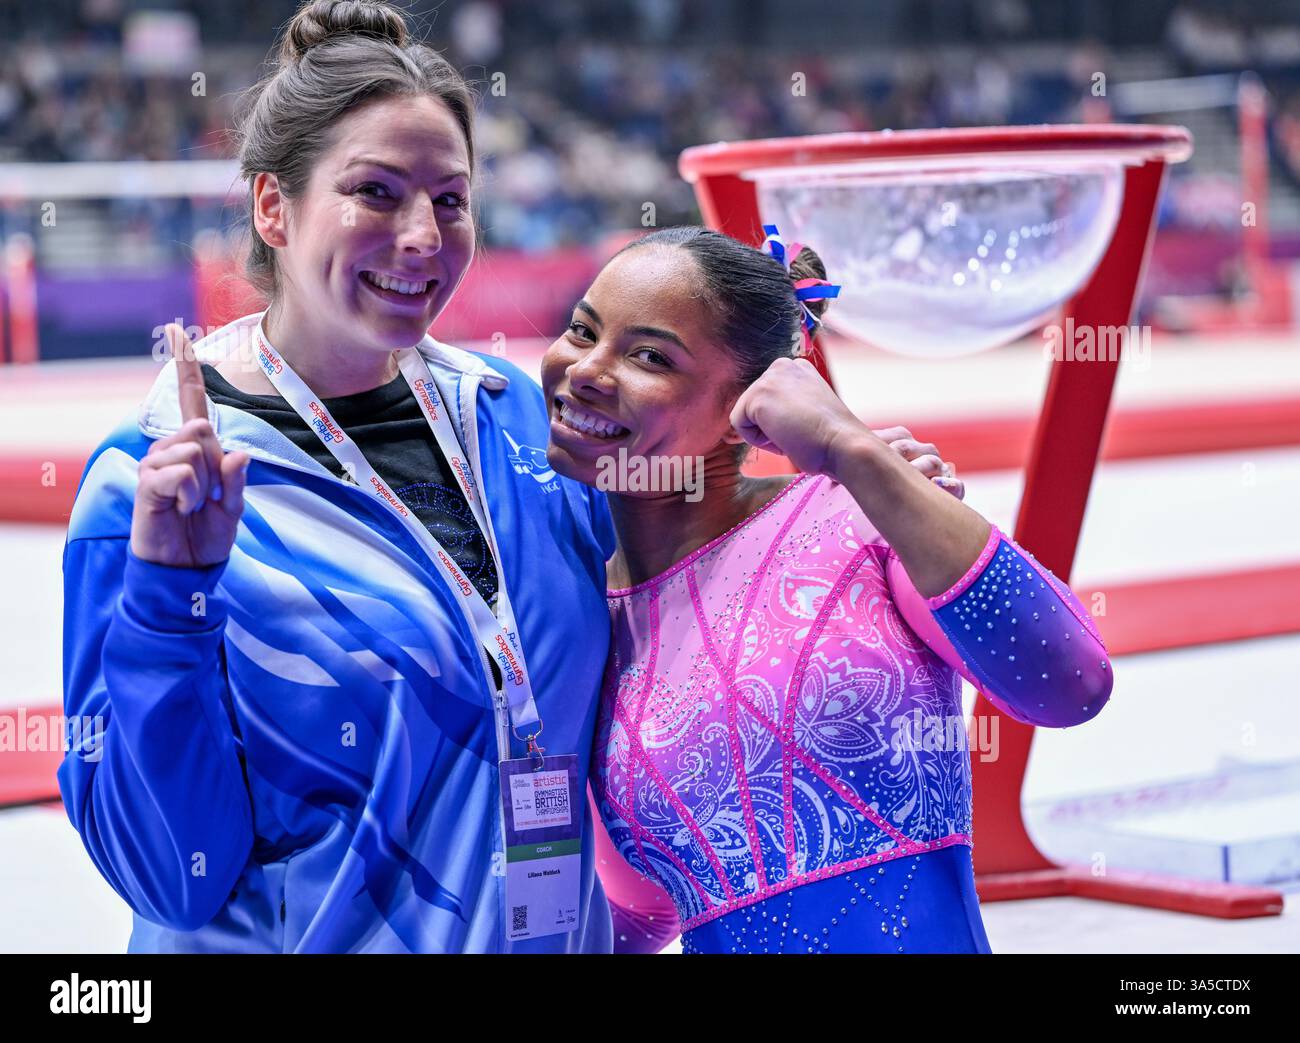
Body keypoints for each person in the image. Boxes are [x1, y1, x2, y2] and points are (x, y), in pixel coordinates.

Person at [56, 1, 954, 953]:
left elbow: (670, 574)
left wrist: (847, 486)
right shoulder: (148, 483)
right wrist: (169, 603)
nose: (422, 236)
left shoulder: (513, 419)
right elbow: (169, 877)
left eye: (449, 198)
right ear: (272, 207)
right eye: (375, 191)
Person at [538, 226, 1114, 953]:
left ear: (753, 398)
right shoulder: (582, 618)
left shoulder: (854, 517)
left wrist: (857, 449)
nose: (586, 369)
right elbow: (639, 912)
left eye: (649, 356)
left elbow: (1071, 682)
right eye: (582, 330)